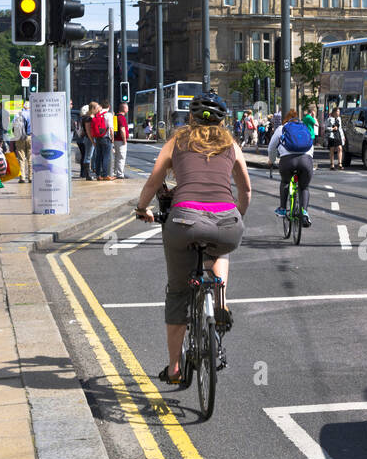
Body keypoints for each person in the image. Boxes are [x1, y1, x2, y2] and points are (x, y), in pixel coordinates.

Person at [134, 94, 250, 386]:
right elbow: (246, 189)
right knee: (220, 248)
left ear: (191, 118)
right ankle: (220, 300)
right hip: (227, 221)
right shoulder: (231, 145)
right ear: (223, 122)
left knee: (177, 292)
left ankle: (174, 368)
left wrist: (141, 209)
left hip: (184, 220)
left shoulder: (177, 141)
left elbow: (153, 179)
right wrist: (237, 216)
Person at [269, 109, 314, 227]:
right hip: (306, 160)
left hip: (287, 161)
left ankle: (283, 209)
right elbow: (311, 147)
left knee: (285, 181)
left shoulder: (281, 128)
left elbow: (271, 148)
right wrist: (309, 162)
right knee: (304, 187)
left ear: (286, 119)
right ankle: (304, 212)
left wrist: (272, 160)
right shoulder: (305, 128)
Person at [8, 103, 32, 183]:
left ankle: (22, 177)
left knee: (21, 157)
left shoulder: (18, 114)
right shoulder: (33, 114)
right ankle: (30, 177)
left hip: (20, 137)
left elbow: (12, 126)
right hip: (30, 137)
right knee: (30, 157)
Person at [89, 102, 113, 180]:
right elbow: (111, 128)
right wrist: (112, 138)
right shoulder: (108, 115)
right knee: (106, 157)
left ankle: (98, 175)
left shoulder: (96, 115)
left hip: (98, 138)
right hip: (105, 138)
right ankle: (105, 175)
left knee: (98, 157)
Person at [112, 102, 130, 179]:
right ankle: (120, 174)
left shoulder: (116, 117)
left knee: (117, 157)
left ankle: (116, 172)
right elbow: (122, 129)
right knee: (121, 157)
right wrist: (124, 139)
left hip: (116, 140)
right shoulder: (122, 118)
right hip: (120, 140)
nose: (128, 110)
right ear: (124, 109)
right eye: (127, 108)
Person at [324, 106, 343, 170]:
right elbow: (325, 127)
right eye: (338, 111)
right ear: (334, 112)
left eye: (339, 112)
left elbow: (340, 128)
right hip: (331, 135)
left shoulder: (339, 119)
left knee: (340, 148)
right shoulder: (329, 119)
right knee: (332, 149)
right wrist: (332, 128)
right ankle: (332, 164)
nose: (339, 113)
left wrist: (343, 136)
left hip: (338, 135)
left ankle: (340, 163)